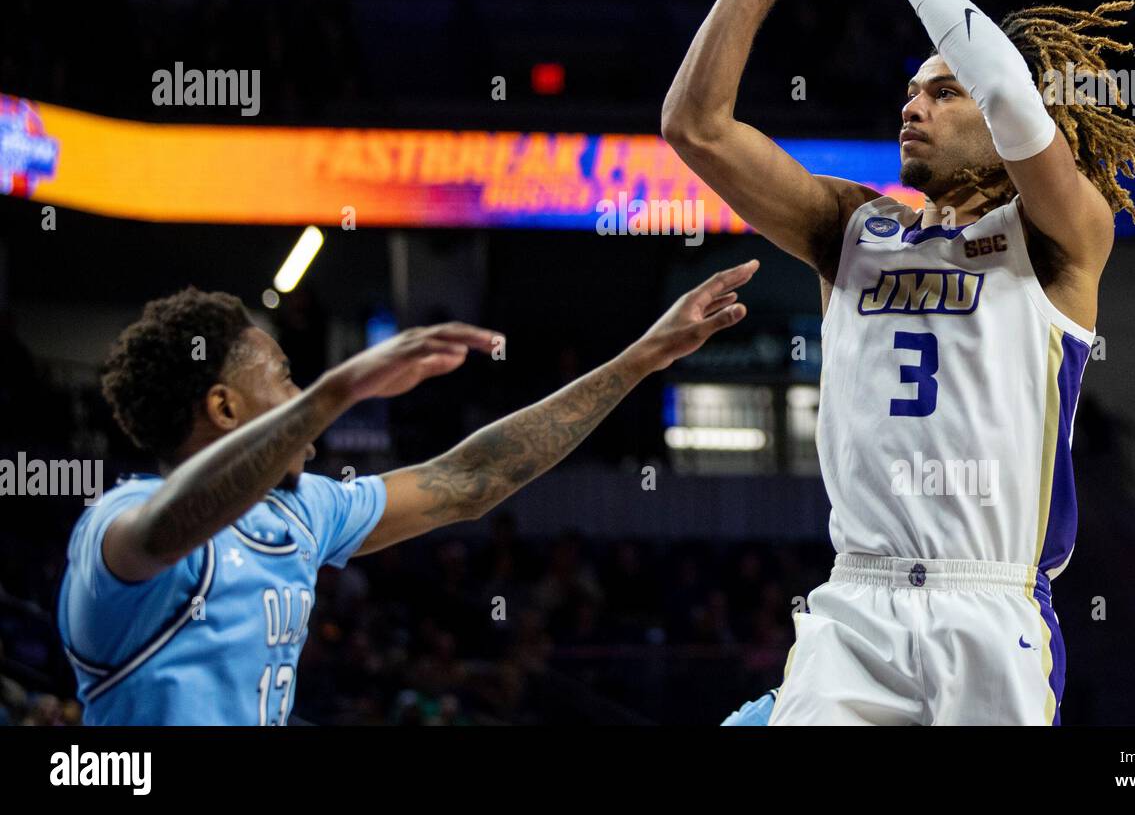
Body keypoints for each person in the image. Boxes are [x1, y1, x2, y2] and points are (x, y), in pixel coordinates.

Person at [664, 0, 1135, 725]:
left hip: (992, 606)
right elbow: (694, 126)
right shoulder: (852, 227)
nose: (913, 103)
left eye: (943, 89)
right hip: (856, 608)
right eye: (910, 88)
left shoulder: (1060, 237)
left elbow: (1012, 96)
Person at [59, 262, 757, 724]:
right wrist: (340, 390)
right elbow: (168, 525)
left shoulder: (303, 510)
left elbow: (470, 478)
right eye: (283, 375)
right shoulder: (115, 526)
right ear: (225, 407)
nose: (299, 392)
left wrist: (640, 358)